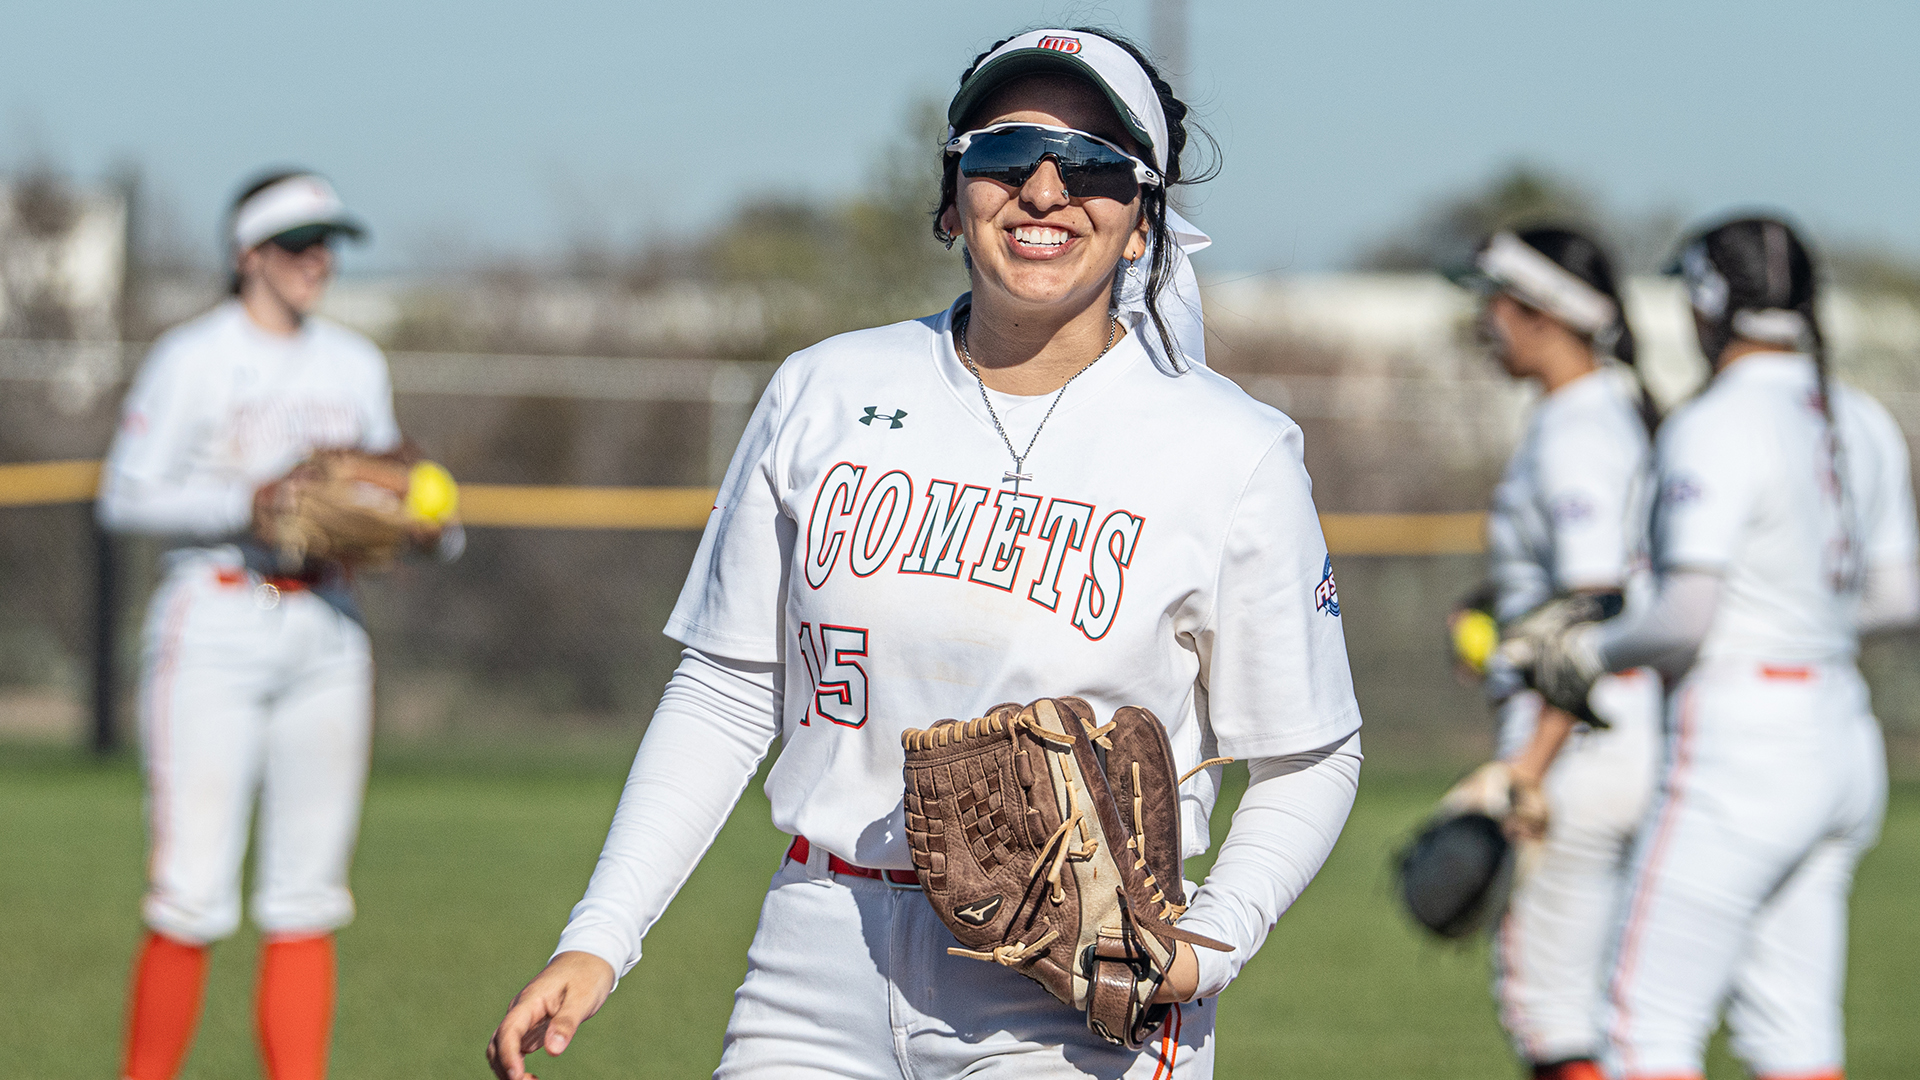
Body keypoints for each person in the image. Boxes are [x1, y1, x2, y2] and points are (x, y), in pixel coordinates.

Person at [488, 27, 1364, 1080]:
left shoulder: (1230, 450)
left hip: (1068, 978)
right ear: (954, 197)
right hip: (819, 942)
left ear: (1143, 223)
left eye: (1091, 162)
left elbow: (1312, 754)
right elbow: (728, 689)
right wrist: (601, 932)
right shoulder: (827, 391)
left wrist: (1211, 940)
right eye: (1003, 153)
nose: (1044, 188)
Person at [1511, 216, 1919, 1080]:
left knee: (1642, 1029)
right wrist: (1797, 624)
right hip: (1840, 730)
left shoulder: (1717, 421)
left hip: (1742, 745)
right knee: (1794, 1034)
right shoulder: (1862, 415)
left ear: (1709, 301)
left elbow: (1687, 614)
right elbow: (1896, 599)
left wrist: (1589, 650)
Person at [100, 171, 445, 1080]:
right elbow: (122, 494)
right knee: (189, 891)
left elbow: (387, 493)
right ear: (246, 254)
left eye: (328, 242)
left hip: (329, 624)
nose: (317, 260)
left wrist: (423, 527)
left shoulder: (355, 363)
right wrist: (240, 500)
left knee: (308, 893)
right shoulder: (193, 357)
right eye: (298, 244)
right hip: (213, 617)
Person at [1443, 228, 1665, 1080]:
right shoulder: (1609, 410)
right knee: (1619, 1016)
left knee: (1550, 1016)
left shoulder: (1578, 430)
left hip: (1580, 744)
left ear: (1542, 313)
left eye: (1497, 302)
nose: (1486, 321)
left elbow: (1595, 602)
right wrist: (1496, 604)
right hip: (1623, 735)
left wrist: (1527, 770)